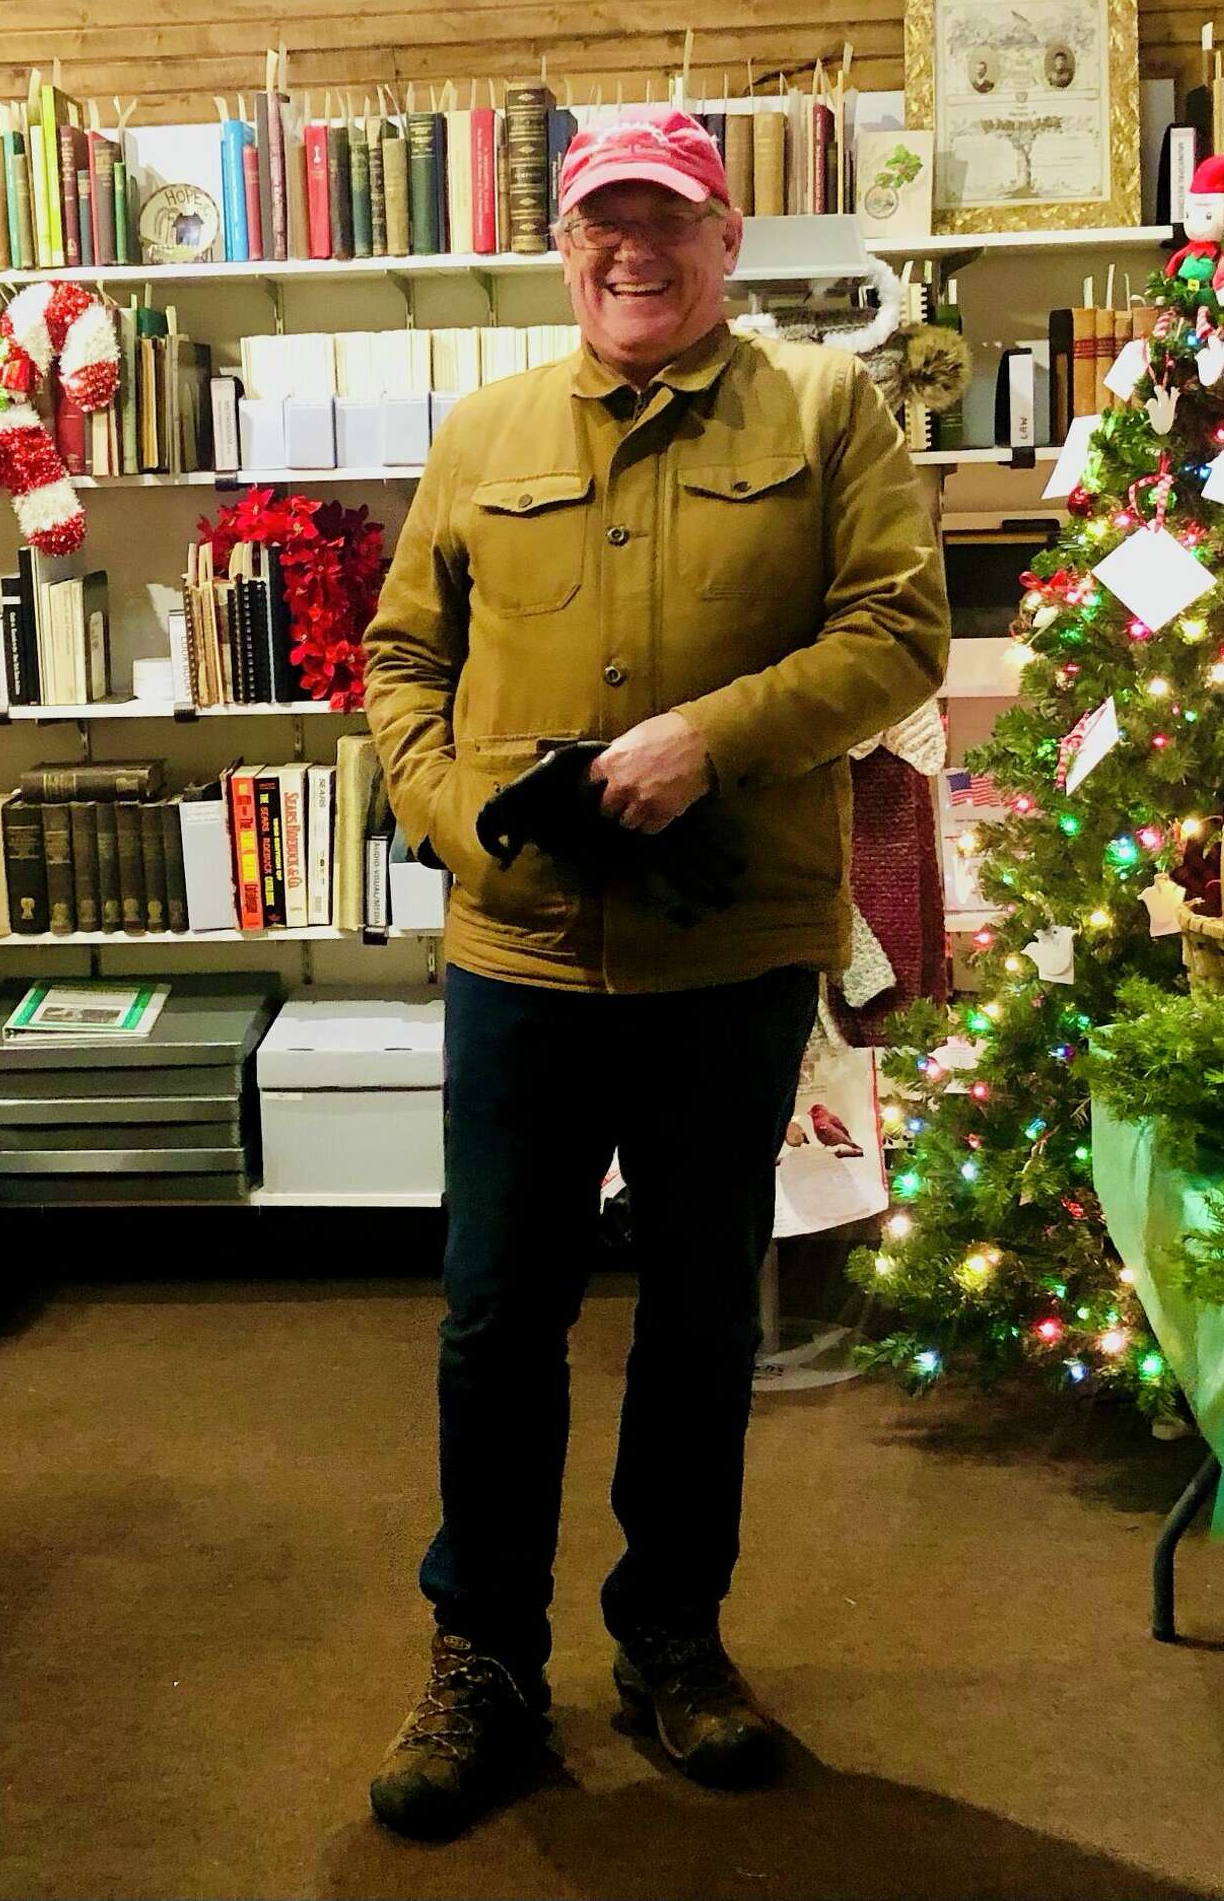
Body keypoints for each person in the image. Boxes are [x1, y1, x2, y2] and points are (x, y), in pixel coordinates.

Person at [361, 106, 950, 1838]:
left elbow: (898, 634)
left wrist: (710, 735)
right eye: (604, 222)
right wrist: (463, 816)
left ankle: (674, 1638)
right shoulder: (481, 430)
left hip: (731, 948)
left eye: (668, 220)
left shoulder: (829, 413)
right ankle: (482, 1656)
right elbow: (405, 658)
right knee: (495, 1318)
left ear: (729, 237)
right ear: (566, 248)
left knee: (701, 1321)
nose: (636, 251)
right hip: (523, 948)